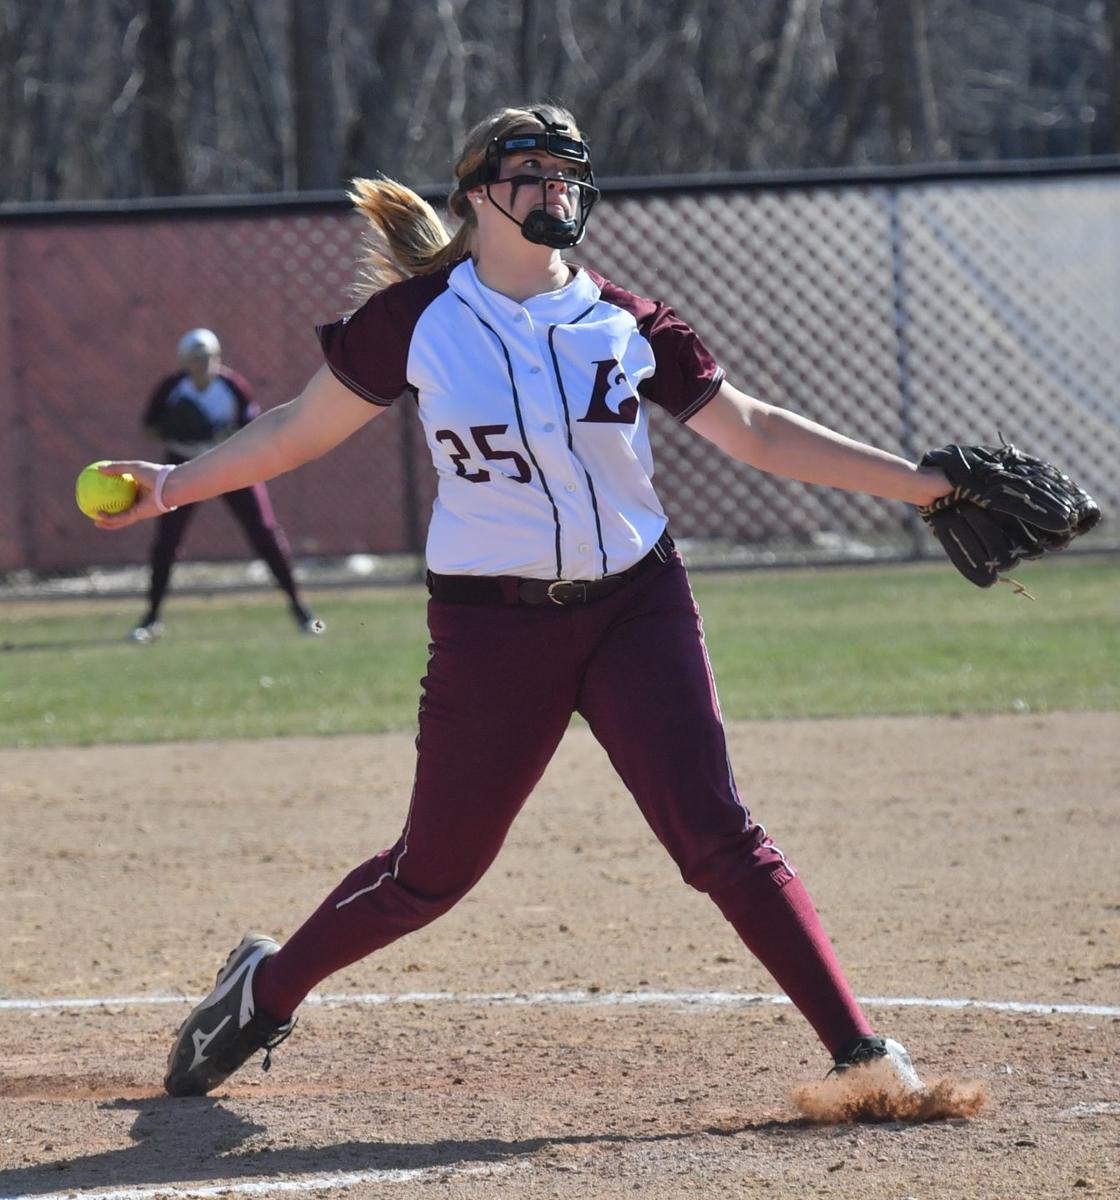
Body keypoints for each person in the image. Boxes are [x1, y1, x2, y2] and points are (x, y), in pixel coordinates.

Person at [96, 104, 953, 1101]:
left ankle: (860, 1053)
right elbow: (292, 432)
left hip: (637, 605)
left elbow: (755, 430)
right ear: (474, 198)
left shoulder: (627, 320)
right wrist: (170, 485)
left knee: (718, 831)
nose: (554, 192)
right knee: (432, 875)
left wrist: (926, 485)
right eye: (531, 174)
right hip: (492, 628)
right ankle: (264, 991)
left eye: (566, 174)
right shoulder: (419, 322)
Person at [129, 327, 323, 643]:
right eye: (195, 358)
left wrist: (220, 434)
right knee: (167, 541)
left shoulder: (231, 386)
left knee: (264, 533)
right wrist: (176, 428)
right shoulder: (172, 389)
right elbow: (150, 430)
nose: (203, 363)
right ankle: (151, 618)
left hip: (230, 466)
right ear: (183, 362)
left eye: (208, 356)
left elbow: (253, 430)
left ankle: (302, 611)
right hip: (185, 466)